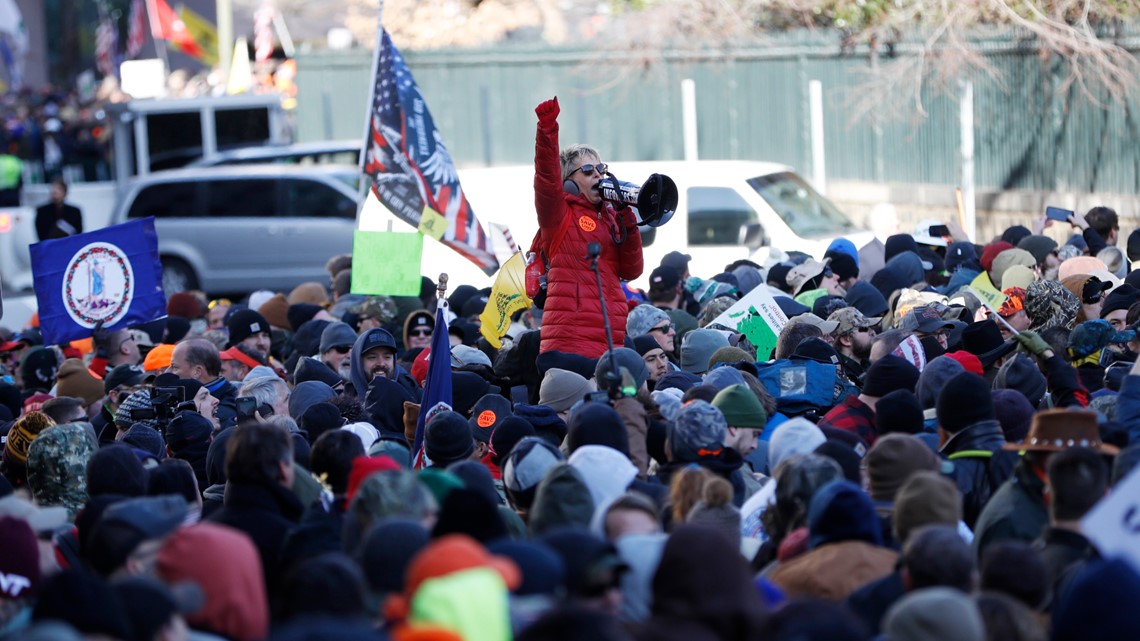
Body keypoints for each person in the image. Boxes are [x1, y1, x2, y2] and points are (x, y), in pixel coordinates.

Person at [533, 96, 644, 359]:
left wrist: (625, 216)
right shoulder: (559, 215)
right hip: (570, 344)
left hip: (610, 343)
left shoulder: (611, 217)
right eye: (587, 170)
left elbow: (632, 270)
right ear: (569, 182)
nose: (598, 175)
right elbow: (546, 179)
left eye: (600, 168)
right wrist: (547, 130)